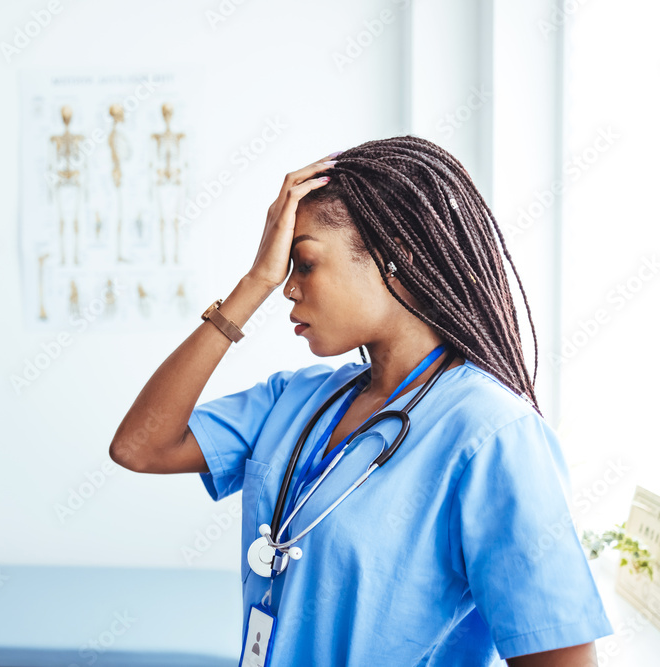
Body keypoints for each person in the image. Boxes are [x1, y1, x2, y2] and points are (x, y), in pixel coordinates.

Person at [109, 136, 614, 665]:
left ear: (395, 255)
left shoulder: (492, 435)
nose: (286, 288)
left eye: (303, 263)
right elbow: (139, 447)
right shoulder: (297, 398)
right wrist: (254, 281)